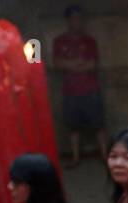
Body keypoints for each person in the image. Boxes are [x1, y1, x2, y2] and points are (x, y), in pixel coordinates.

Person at [51, 4, 106, 168]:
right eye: (74, 18)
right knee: (73, 127)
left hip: (91, 90)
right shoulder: (59, 41)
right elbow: (57, 64)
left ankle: (104, 155)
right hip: (70, 91)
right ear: (68, 20)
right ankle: (75, 158)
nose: (78, 22)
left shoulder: (90, 41)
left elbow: (92, 64)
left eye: (80, 18)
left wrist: (70, 64)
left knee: (99, 125)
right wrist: (76, 64)